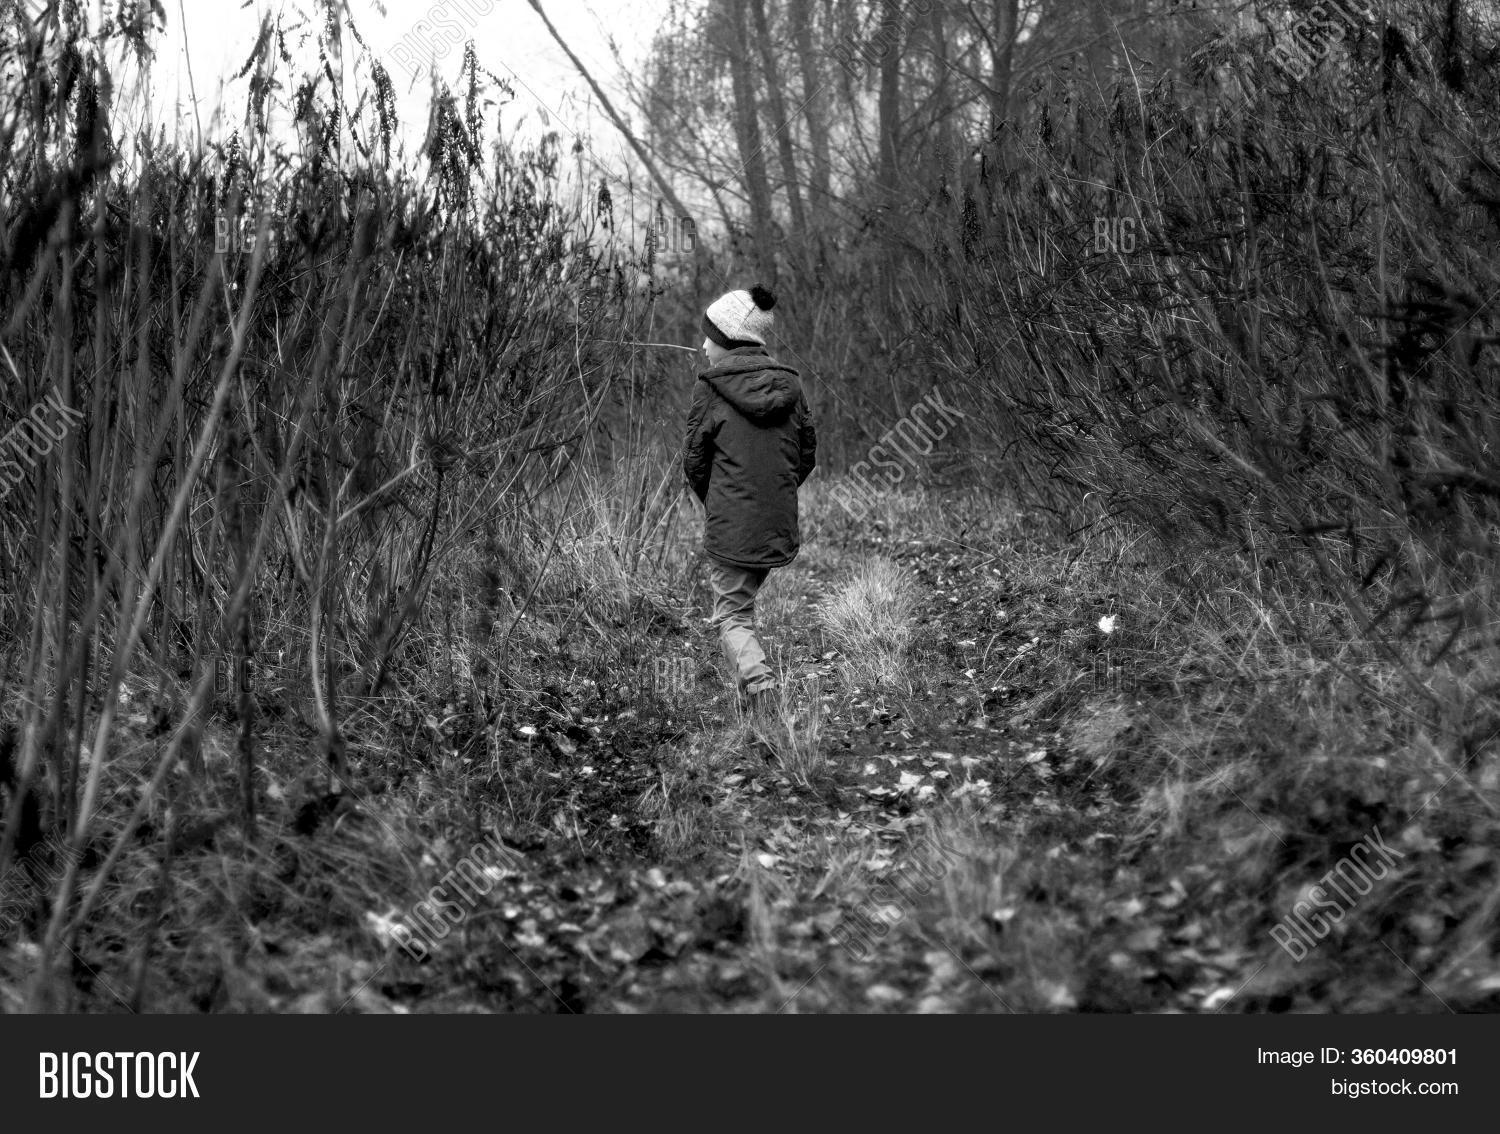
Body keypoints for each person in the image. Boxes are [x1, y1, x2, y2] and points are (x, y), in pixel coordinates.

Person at [682, 285, 816, 712]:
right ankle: (749, 691)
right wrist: (772, 492)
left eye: (709, 337)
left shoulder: (711, 389)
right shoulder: (791, 387)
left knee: (732, 615)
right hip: (775, 522)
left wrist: (720, 500)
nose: (703, 346)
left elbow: (695, 462)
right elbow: (805, 455)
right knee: (741, 607)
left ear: (728, 340)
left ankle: (761, 690)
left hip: (732, 523)